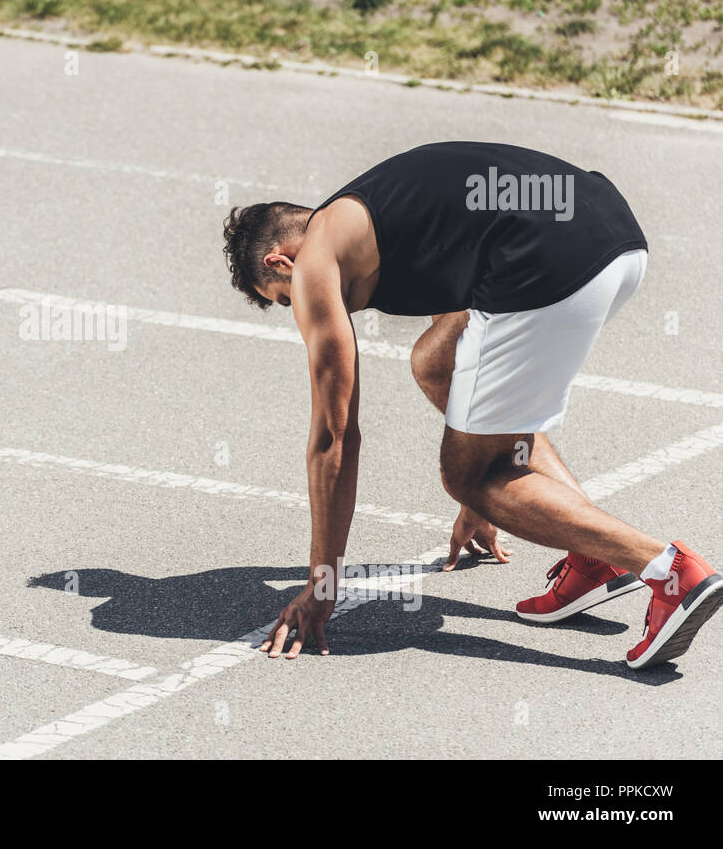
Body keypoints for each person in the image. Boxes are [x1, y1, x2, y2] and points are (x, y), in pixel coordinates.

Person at [221, 141, 720, 668]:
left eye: (283, 296)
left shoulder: (316, 260)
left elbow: (334, 437)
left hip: (548, 261)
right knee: (434, 363)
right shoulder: (387, 217)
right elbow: (461, 348)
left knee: (469, 476)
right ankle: (595, 555)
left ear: (283, 260)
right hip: (614, 237)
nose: (296, 304)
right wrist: (483, 504)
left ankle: (669, 570)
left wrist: (323, 585)